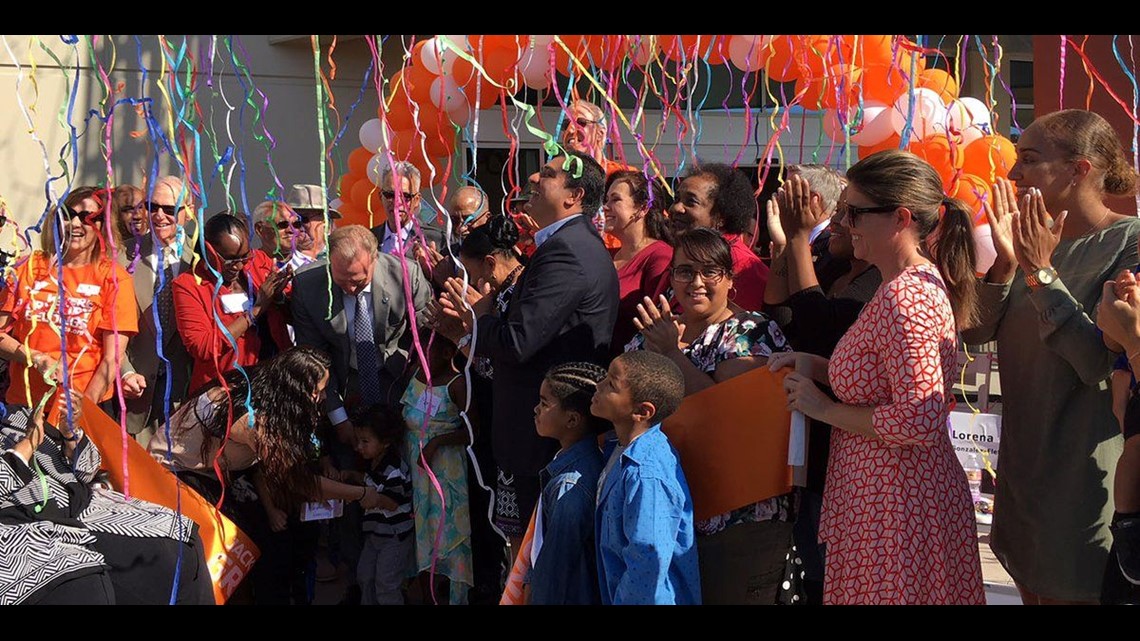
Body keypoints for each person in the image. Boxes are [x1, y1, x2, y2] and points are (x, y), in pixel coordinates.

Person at [776, 148, 985, 605]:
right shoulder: (899, 288)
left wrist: (824, 407)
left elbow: (919, 419)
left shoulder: (907, 297)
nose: (842, 223)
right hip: (886, 502)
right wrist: (816, 365)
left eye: (853, 212)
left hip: (896, 509)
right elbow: (884, 379)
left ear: (900, 218)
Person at [961, 109, 1140, 605]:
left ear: (1080, 169)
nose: (1013, 175)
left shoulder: (1130, 243)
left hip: (1082, 482)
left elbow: (1095, 362)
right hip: (1021, 473)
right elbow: (976, 332)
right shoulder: (1032, 239)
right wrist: (1005, 263)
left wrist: (1040, 270)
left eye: (1030, 160)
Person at [433, 150, 619, 563]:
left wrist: (477, 316)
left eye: (549, 175)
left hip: (543, 437)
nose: (533, 178)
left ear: (575, 196)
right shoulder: (564, 246)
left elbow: (517, 341)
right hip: (534, 434)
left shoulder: (568, 251)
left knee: (539, 561)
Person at [626, 227, 795, 604]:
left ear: (730, 279)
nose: (696, 282)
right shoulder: (654, 332)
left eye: (710, 272)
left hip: (738, 520)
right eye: (685, 271)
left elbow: (724, 413)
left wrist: (672, 354)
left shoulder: (752, 332)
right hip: (663, 514)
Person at [148, 346, 385, 604]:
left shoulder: (264, 391)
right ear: (295, 390)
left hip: (225, 472)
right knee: (239, 549)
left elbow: (260, 463)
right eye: (319, 391)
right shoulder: (249, 418)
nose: (323, 397)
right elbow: (298, 480)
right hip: (179, 475)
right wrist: (361, 494)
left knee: (272, 543)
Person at [763, 167, 881, 603]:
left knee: (829, 574)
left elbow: (821, 331)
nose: (837, 224)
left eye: (848, 215)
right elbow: (779, 310)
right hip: (807, 437)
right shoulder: (833, 262)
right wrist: (788, 241)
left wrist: (798, 239)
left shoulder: (879, 282)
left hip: (845, 446)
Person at [2, 402, 214, 605]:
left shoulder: (18, 416)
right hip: (26, 530)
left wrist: (70, 437)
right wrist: (26, 448)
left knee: (182, 542)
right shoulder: (25, 428)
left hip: (85, 509)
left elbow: (87, 470)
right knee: (83, 586)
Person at [0, 187, 144, 424]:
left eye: (88, 218)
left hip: (82, 406)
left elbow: (112, 359)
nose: (75, 224)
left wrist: (80, 412)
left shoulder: (114, 278)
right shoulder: (30, 267)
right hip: (24, 404)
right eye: (68, 214)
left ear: (103, 225)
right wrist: (34, 356)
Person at [589, 350, 700, 605]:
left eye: (611, 384)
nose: (599, 385)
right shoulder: (620, 448)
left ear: (642, 411)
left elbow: (647, 561)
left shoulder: (646, 473)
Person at [172, 212, 292, 396]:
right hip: (225, 391)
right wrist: (255, 310)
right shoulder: (188, 285)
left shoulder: (258, 262)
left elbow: (295, 317)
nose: (239, 266)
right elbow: (203, 348)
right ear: (209, 251)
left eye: (244, 257)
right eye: (230, 260)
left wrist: (279, 298)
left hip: (274, 379)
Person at [119, 175, 197, 442]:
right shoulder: (121, 256)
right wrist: (125, 371)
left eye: (170, 209)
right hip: (133, 396)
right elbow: (106, 323)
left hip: (183, 399)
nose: (159, 216)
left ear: (188, 211)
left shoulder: (203, 258)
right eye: (153, 207)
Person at [526, 361, 607, 605]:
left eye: (544, 403)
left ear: (572, 420)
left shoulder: (570, 487)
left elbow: (555, 570)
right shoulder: (576, 462)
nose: (536, 409)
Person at [400, 334, 472, 605]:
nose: (419, 358)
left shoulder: (457, 385)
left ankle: (454, 597)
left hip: (446, 474)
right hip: (418, 474)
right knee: (423, 533)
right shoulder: (417, 376)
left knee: (448, 534)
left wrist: (437, 443)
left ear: (446, 353)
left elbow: (471, 432)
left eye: (426, 352)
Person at [669, 162, 769, 311]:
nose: (676, 208)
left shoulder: (743, 267)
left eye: (691, 202)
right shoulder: (685, 252)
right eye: (677, 199)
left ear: (720, 216)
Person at [343, 403, 414, 606]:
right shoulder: (373, 462)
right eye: (358, 441)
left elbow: (390, 503)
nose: (359, 447)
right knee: (365, 576)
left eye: (365, 441)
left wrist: (363, 496)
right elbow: (368, 479)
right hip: (375, 534)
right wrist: (351, 477)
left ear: (385, 442)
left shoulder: (394, 469)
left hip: (394, 537)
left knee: (386, 584)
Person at [605, 169, 674, 356]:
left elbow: (657, 322)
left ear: (642, 208)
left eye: (615, 199)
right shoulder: (605, 254)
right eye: (606, 199)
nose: (605, 206)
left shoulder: (660, 256)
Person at [372, 161, 446, 257]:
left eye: (405, 196)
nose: (397, 202)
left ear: (417, 200)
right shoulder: (368, 239)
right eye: (390, 195)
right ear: (380, 196)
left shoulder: (438, 240)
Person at [253, 199, 314, 272]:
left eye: (296, 224)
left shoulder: (311, 267)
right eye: (283, 225)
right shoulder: (248, 266)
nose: (291, 230)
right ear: (260, 229)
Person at [285, 183, 342, 262]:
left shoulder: (342, 256)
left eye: (304, 219)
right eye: (292, 221)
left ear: (325, 222)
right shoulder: (283, 266)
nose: (297, 227)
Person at [112, 183, 147, 262]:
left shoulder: (159, 247)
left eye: (141, 207)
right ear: (114, 214)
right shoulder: (107, 254)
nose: (138, 215)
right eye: (128, 209)